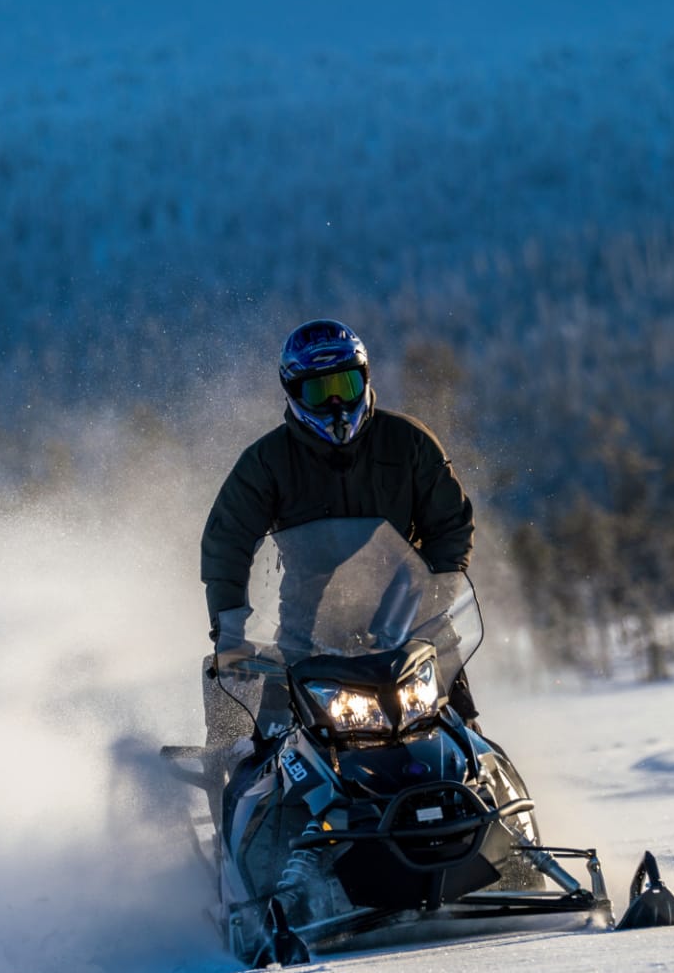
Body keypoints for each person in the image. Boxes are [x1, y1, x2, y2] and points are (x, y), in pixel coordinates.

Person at [200, 319, 478, 782]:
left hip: (412, 622)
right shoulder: (267, 461)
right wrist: (231, 632)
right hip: (307, 632)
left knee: (462, 735)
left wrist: (430, 590)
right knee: (268, 753)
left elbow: (451, 525)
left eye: (345, 385)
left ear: (365, 380)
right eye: (318, 391)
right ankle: (251, 828)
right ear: (292, 392)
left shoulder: (408, 442)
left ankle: (503, 821)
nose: (335, 403)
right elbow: (227, 541)